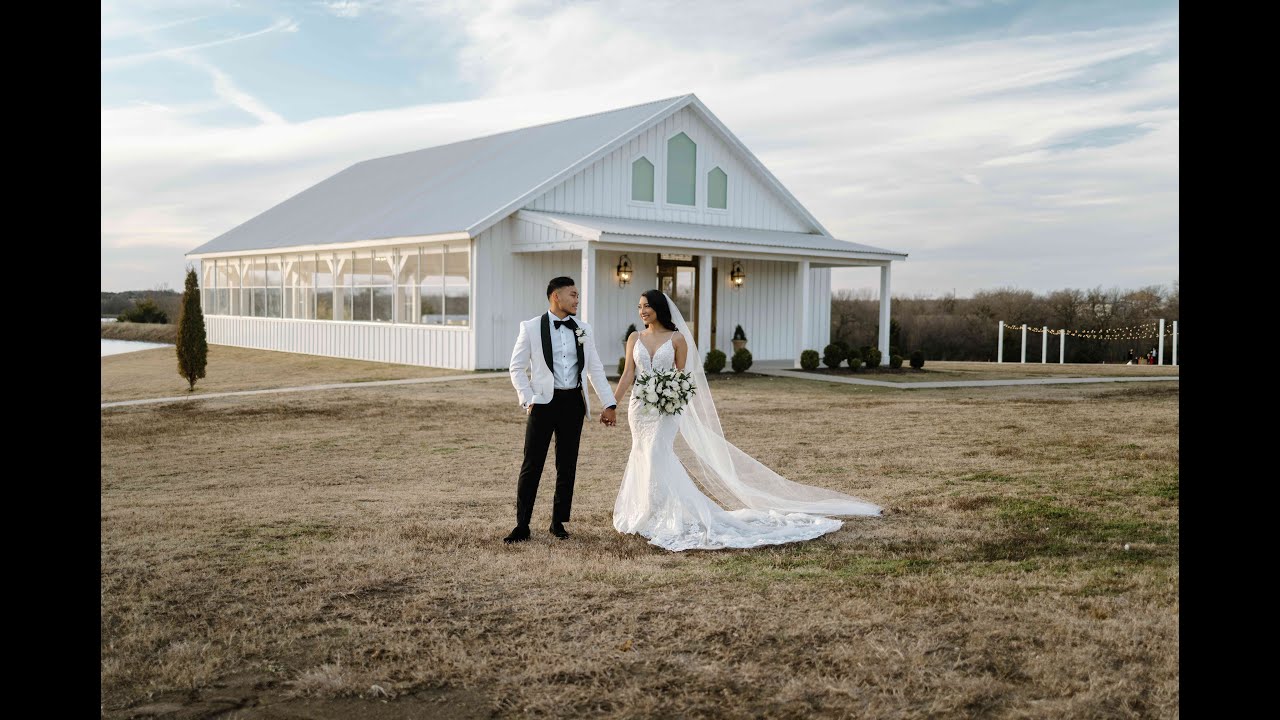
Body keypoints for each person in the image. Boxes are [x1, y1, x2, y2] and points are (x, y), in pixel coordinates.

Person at [610, 290, 881, 552]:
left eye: (646, 305)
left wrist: (671, 396)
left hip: (668, 408)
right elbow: (627, 375)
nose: (642, 311)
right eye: (639, 307)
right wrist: (612, 405)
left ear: (658, 307)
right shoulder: (635, 338)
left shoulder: (677, 339)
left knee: (658, 451)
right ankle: (646, 511)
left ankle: (664, 513)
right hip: (640, 407)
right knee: (642, 453)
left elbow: (683, 378)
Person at [504, 277, 617, 544]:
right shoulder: (531, 327)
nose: (577, 300)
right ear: (556, 296)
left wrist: (609, 403)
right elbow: (516, 367)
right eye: (573, 295)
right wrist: (528, 398)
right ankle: (522, 525)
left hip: (573, 404)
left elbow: (595, 369)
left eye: (577, 296)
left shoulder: (584, 329)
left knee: (566, 465)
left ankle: (558, 522)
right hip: (543, 404)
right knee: (532, 465)